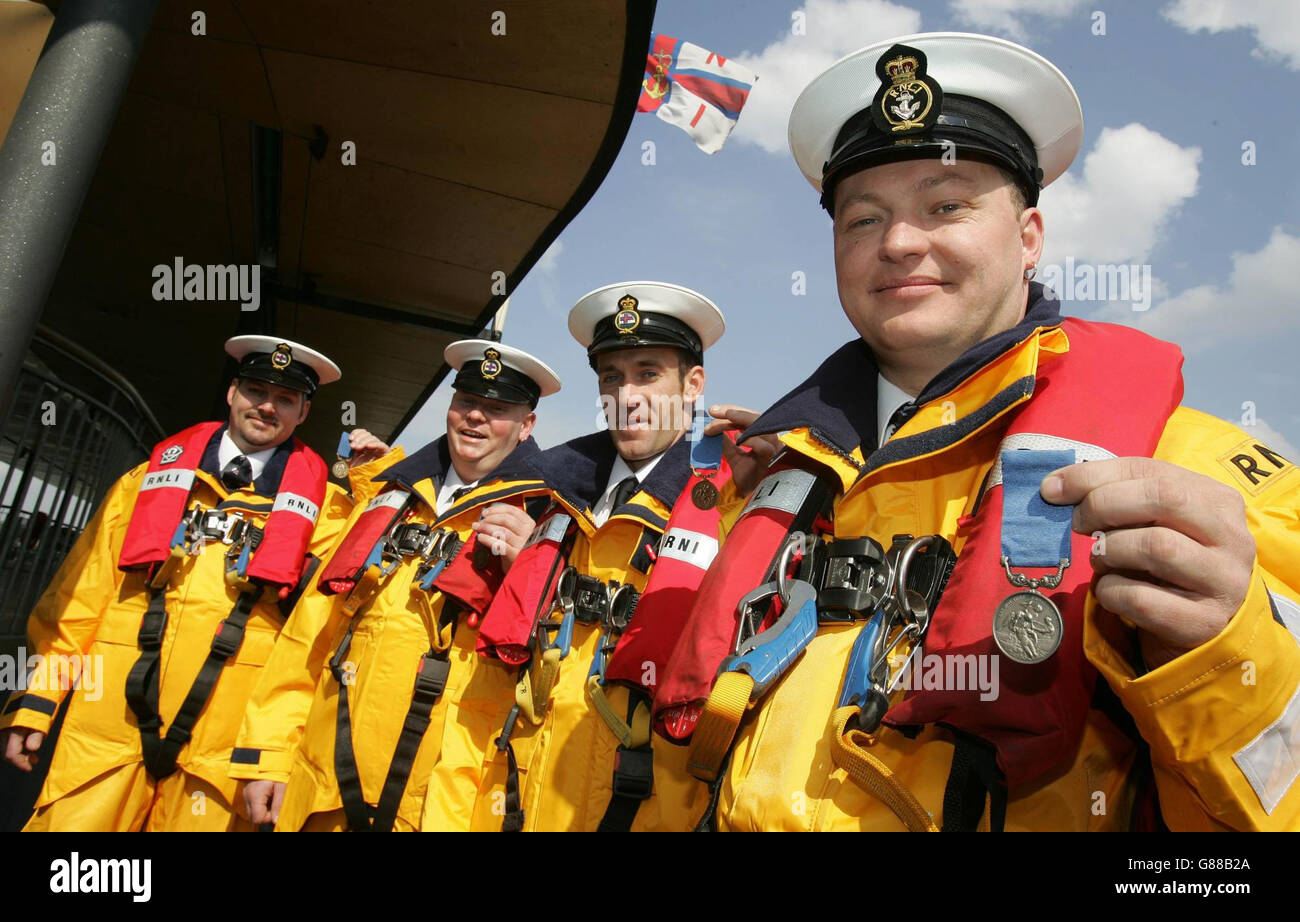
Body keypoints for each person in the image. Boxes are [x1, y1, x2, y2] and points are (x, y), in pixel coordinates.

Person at [681, 32, 1300, 831]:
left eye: (947, 206)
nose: (900, 242)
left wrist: (1223, 654)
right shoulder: (772, 481)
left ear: (1030, 239)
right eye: (863, 219)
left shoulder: (1186, 477)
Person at [0, 336, 388, 831]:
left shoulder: (330, 513)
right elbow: (77, 600)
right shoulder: (142, 482)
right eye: (255, 390)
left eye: (285, 399)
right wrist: (37, 699)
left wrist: (374, 482)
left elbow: (351, 605)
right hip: (105, 735)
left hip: (221, 756)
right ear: (232, 393)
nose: (266, 406)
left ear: (303, 412)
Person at [421, 281, 728, 831]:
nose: (626, 394)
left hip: (648, 808)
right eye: (611, 377)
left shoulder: (735, 502)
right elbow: (480, 686)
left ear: (693, 385)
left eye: (648, 373)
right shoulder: (539, 495)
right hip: (518, 795)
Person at [233, 339, 560, 831]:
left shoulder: (546, 520)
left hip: (439, 801)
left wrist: (528, 577)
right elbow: (310, 632)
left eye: (496, 409)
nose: (475, 417)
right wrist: (267, 753)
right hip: (322, 777)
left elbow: (554, 672)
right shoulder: (390, 497)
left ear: (526, 426)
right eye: (466, 402)